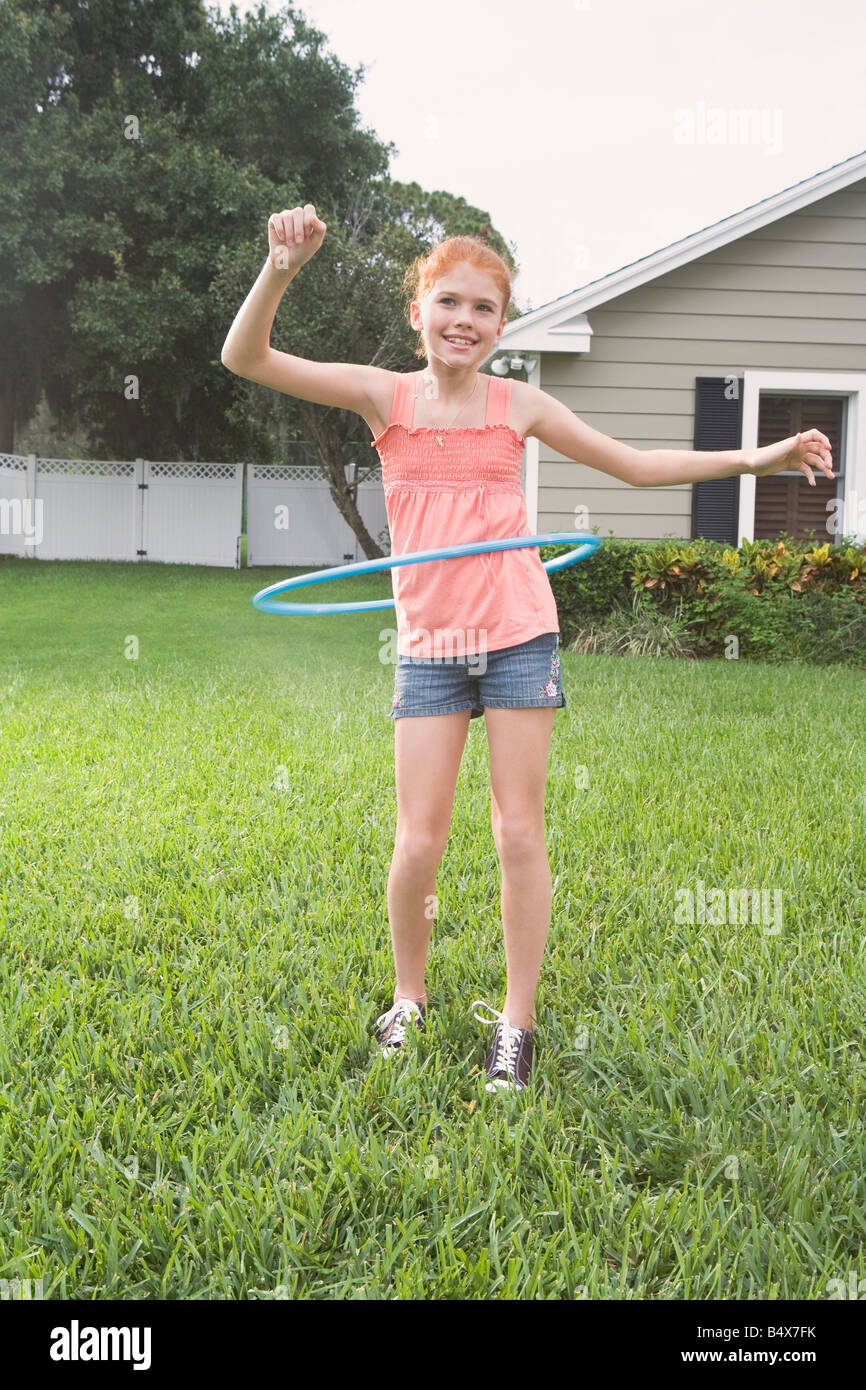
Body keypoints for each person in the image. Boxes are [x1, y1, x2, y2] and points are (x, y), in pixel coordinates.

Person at [221, 203, 834, 1095]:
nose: (464, 320)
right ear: (418, 312)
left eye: (485, 308)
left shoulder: (521, 405)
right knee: (418, 841)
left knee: (517, 831)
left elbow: (634, 464)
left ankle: (517, 1021)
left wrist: (757, 459)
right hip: (431, 644)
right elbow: (247, 358)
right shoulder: (383, 396)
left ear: (502, 326)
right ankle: (408, 999)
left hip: (516, 633)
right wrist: (280, 267)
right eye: (449, 302)